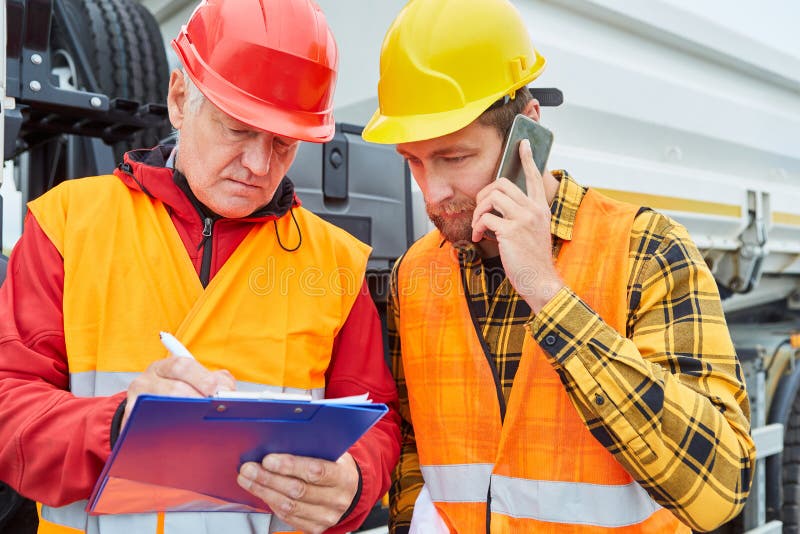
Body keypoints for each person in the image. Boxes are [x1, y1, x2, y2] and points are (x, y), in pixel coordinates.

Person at [0, 1, 400, 533]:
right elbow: (9, 409)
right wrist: (117, 425)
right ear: (180, 98)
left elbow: (377, 422)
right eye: (238, 129)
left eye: (284, 142)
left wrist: (355, 482)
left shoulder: (337, 264)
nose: (259, 166)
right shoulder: (68, 225)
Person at [361, 0, 756, 532]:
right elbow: (413, 460)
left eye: (455, 158)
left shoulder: (649, 250)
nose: (432, 193)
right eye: (412, 160)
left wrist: (549, 294)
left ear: (527, 131)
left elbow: (720, 489)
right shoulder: (415, 273)